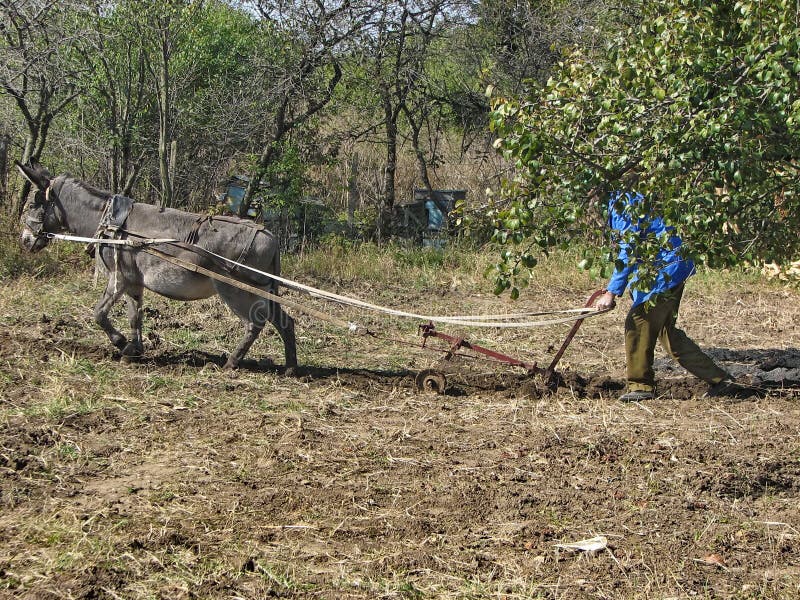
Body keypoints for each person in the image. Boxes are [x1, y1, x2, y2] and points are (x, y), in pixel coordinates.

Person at [594, 191, 738, 401]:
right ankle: (720, 380)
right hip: (672, 267)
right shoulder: (630, 197)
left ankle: (640, 387)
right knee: (666, 332)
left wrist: (611, 293)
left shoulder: (622, 202)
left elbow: (629, 248)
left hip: (665, 271)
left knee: (637, 324)